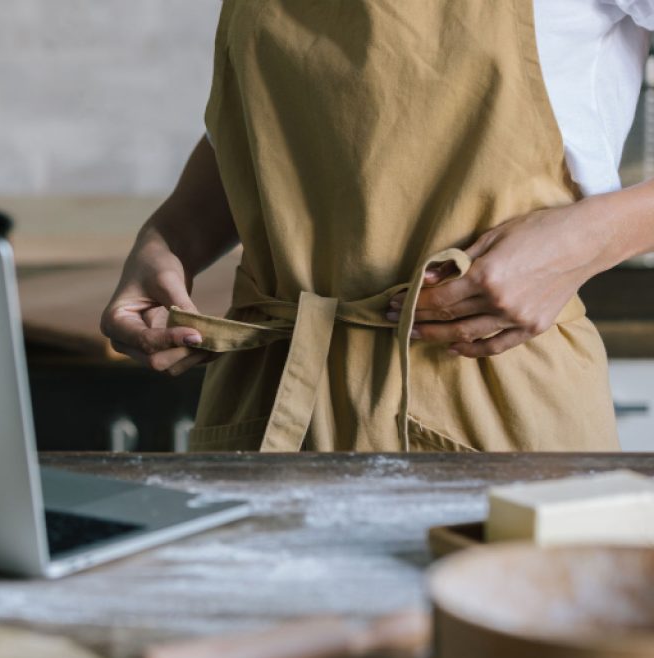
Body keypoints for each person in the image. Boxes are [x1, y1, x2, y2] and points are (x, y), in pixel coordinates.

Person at [101, 0, 654, 452]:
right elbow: (280, 130)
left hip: (487, 391)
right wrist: (171, 240)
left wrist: (583, 243)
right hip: (270, 397)